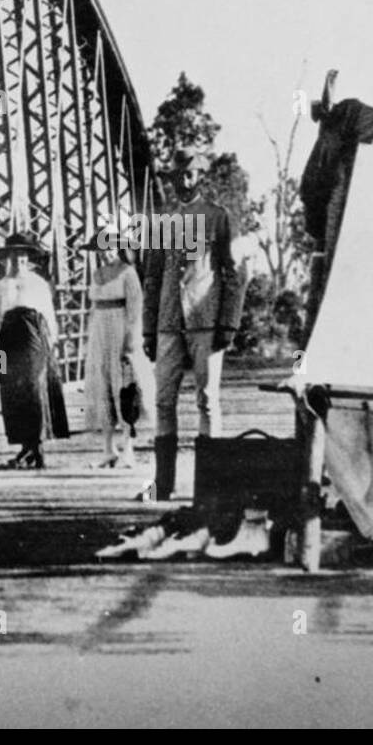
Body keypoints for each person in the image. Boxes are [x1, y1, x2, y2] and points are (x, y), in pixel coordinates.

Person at [142, 148, 243, 501]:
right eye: (178, 176)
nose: (184, 181)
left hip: (205, 321)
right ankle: (162, 484)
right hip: (169, 321)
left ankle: (209, 487)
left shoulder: (217, 217)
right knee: (163, 401)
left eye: (190, 174)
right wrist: (148, 329)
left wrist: (227, 324)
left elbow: (232, 274)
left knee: (208, 400)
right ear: (171, 180)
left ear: (199, 176)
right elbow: (152, 278)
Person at [0, 231, 69, 469]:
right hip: (6, 339)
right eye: (14, 256)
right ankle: (24, 446)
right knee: (8, 386)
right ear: (7, 259)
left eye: (23, 256)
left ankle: (37, 446)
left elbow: (48, 315)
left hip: (32, 336)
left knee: (34, 386)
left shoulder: (38, 284)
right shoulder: (1, 286)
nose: (18, 261)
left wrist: (52, 342)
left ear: (29, 258)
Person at [80, 228, 151, 468]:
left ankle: (128, 449)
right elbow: (92, 309)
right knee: (102, 388)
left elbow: (135, 308)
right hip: (100, 332)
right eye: (100, 249)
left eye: (108, 247)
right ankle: (108, 449)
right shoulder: (97, 274)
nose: (104, 253)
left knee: (124, 389)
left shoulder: (128, 273)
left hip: (120, 331)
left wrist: (132, 340)